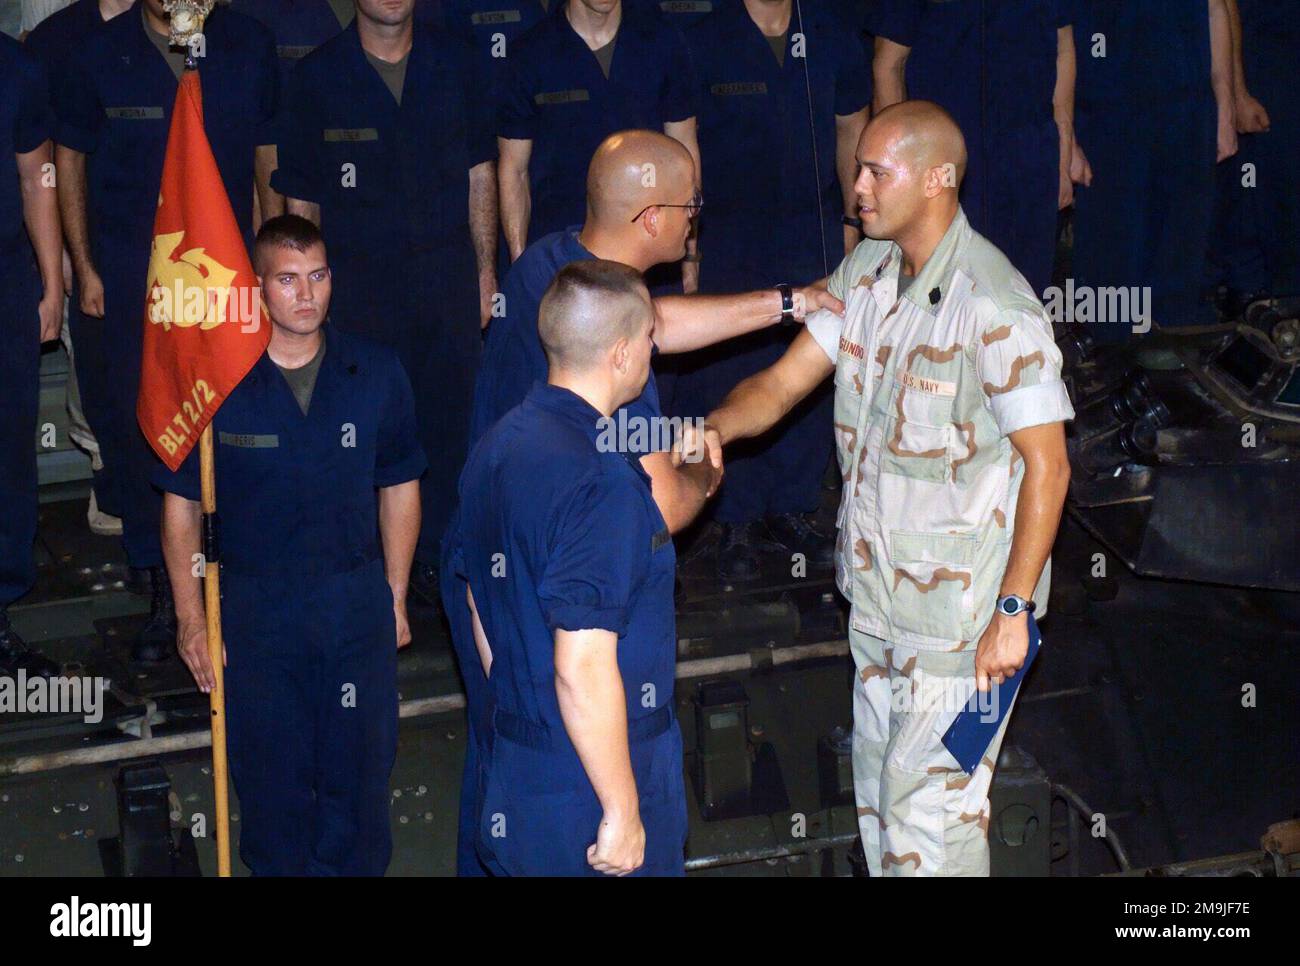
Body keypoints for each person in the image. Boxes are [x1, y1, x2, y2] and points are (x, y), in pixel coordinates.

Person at [690, 101, 1074, 875]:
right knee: (881, 807)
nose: (857, 186)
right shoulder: (866, 270)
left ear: (937, 180)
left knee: (929, 821)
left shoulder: (994, 305)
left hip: (963, 626)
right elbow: (781, 385)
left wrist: (1012, 613)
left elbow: (1050, 466)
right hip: (878, 604)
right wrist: (709, 432)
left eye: (875, 171)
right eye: (857, 167)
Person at [447, 127, 839, 874]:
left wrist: (788, 303)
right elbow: (660, 509)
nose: (697, 219)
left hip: (503, 591)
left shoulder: (556, 278)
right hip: (581, 692)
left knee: (506, 760)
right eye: (692, 206)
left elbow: (649, 321)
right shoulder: (611, 428)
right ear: (653, 218)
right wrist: (706, 464)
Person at [156, 216, 425, 875]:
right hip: (257, 615)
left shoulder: (375, 372)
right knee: (271, 787)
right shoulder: (218, 386)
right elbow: (181, 508)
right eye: (287, 280)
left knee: (359, 783)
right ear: (256, 288)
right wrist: (192, 619)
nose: (307, 295)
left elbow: (400, 486)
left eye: (318, 276)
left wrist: (394, 596)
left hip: (353, 606)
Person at [454, 260, 695, 876]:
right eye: (648, 337)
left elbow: (478, 598)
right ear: (621, 354)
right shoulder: (603, 480)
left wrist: (522, 698)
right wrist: (622, 811)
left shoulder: (496, 447)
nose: (653, 351)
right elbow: (581, 664)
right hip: (591, 785)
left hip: (518, 766)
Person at [55, 0, 279, 660]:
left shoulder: (248, 44)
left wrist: (275, 262)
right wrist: (84, 267)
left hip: (228, 277)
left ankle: (235, 578)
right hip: (134, 279)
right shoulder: (97, 55)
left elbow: (269, 156)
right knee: (145, 426)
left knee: (239, 426)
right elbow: (69, 162)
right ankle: (161, 586)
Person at [273, 0, 498, 605]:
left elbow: (481, 173)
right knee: (360, 434)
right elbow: (301, 201)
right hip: (356, 296)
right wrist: (306, 294)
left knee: (450, 428)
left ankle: (440, 564)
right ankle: (366, 569)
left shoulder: (459, 63)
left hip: (447, 286)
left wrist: (485, 272)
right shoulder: (315, 78)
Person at [675, 0, 870, 581]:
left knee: (808, 359)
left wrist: (854, 222)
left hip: (813, 229)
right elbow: (685, 149)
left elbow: (852, 132)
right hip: (730, 235)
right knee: (729, 363)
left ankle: (792, 504)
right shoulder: (700, 39)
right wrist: (691, 245)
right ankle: (732, 515)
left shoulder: (832, 32)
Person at [868, 0, 1088, 299]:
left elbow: (1063, 49)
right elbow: (888, 65)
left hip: (1029, 161)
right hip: (943, 166)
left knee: (1024, 294)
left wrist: (1064, 150)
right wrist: (895, 168)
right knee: (941, 299)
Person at [24, 0, 135, 541]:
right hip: (84, 240)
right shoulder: (57, 38)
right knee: (95, 370)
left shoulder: (178, 28)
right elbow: (41, 152)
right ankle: (107, 475)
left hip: (156, 238)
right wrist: (64, 251)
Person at [1071, 0, 1235, 341]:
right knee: (1112, 257)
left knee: (1182, 251)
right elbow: (1062, 36)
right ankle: (1110, 352)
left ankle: (1174, 352)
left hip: (1189, 112)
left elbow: (1215, 9)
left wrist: (1225, 104)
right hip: (1107, 117)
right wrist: (1065, 135)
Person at [497, 0, 699, 259]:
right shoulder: (528, 54)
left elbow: (684, 147)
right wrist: (520, 262)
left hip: (650, 247)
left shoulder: (663, 41)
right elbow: (514, 170)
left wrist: (690, 255)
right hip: (561, 250)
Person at [0, 33, 63, 678]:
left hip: (4, 279)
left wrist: (51, 283)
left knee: (7, 451)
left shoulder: (16, 68)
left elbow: (37, 179)